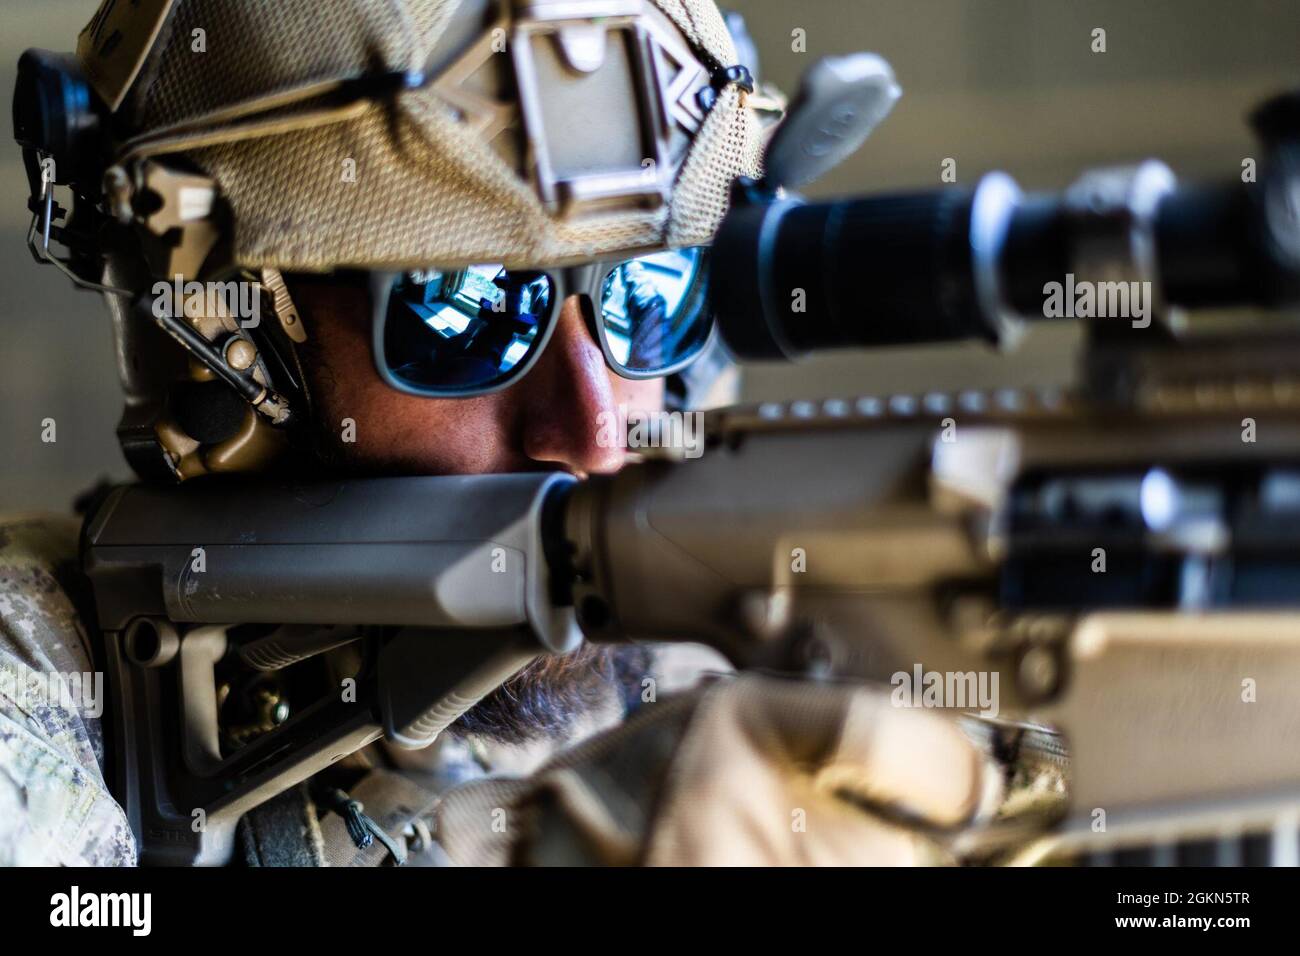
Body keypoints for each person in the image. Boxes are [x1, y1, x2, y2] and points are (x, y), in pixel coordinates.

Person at [3, 0, 1045, 866]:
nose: (592, 429)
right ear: (226, 349)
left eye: (648, 285)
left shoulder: (746, 652)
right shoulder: (36, 687)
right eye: (460, 303)